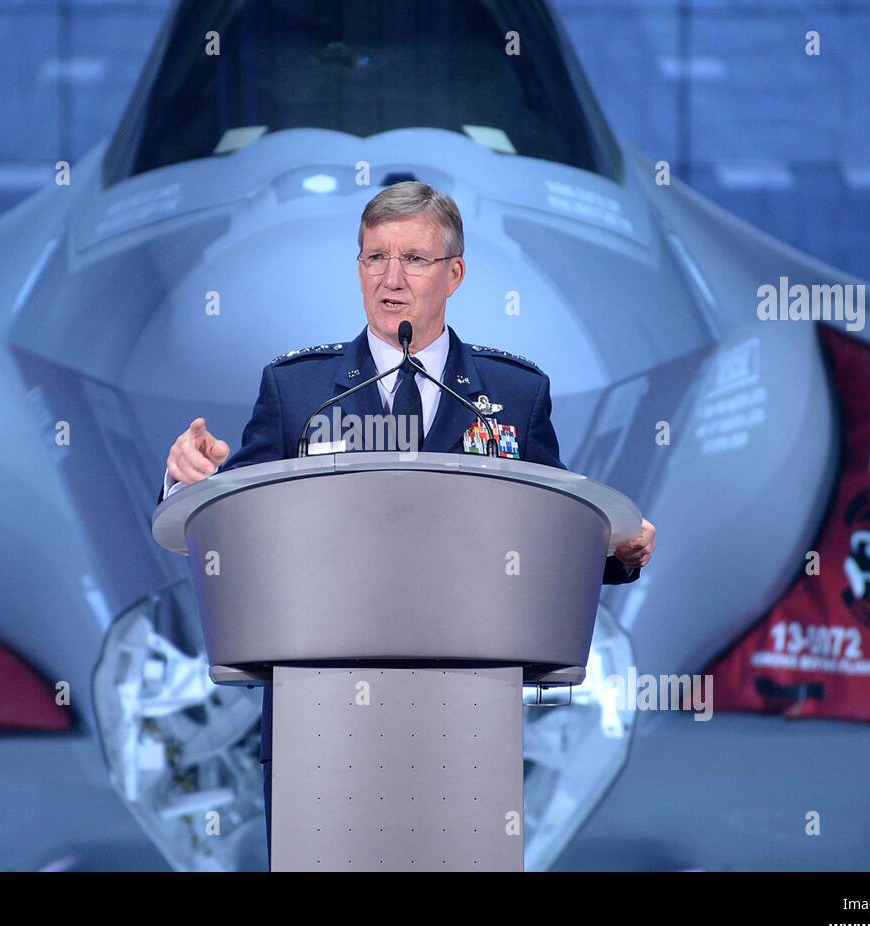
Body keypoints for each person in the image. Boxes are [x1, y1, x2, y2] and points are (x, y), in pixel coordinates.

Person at [159, 181, 657, 863]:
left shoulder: (514, 394)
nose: (391, 280)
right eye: (374, 258)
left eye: (415, 260)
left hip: (468, 721)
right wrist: (193, 479)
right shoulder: (296, 391)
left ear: (455, 272)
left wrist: (617, 552)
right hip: (320, 728)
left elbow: (551, 537)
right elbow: (237, 522)